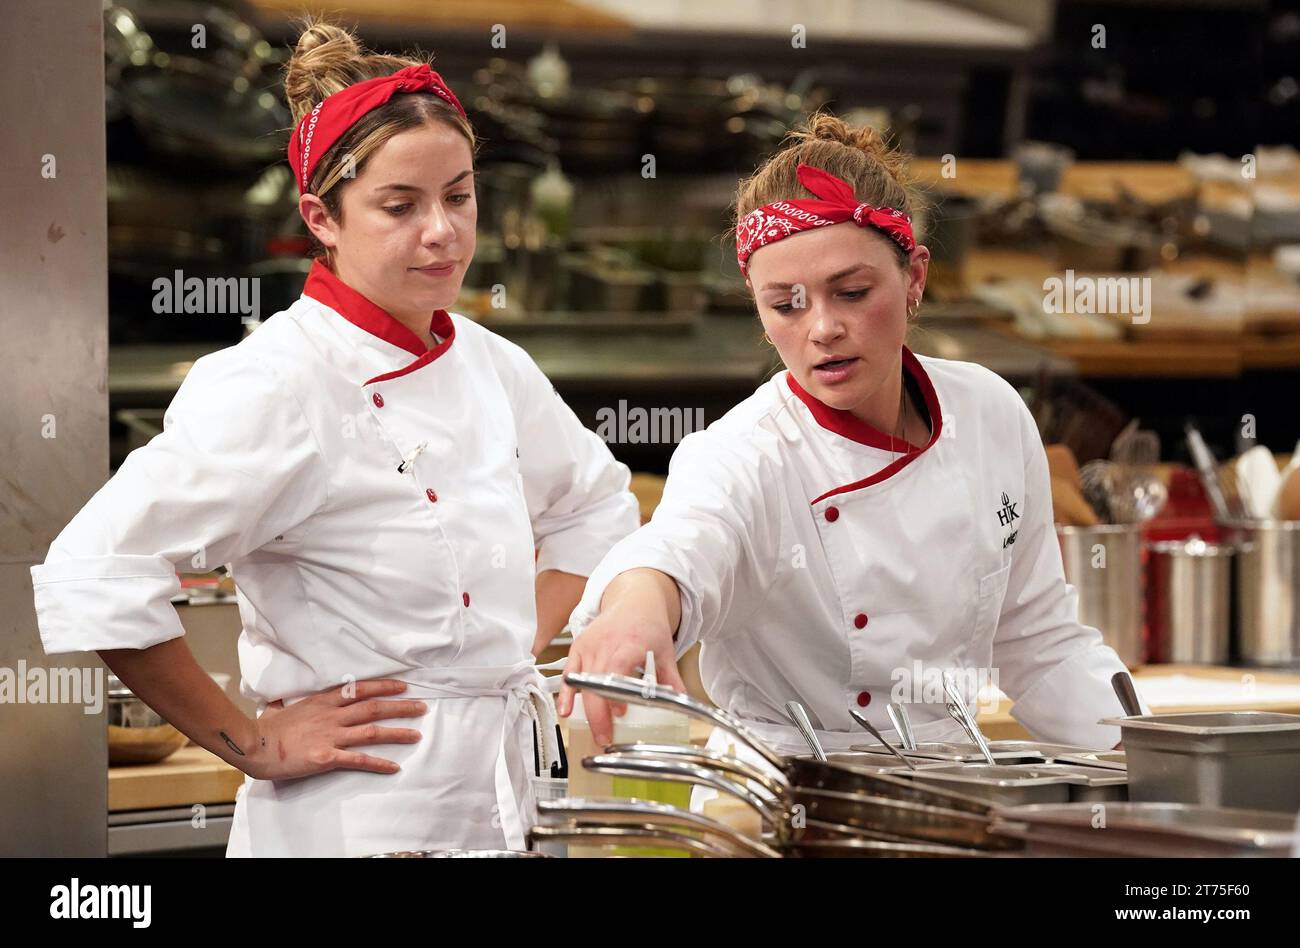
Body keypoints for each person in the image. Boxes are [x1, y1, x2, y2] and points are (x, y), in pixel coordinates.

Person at [31, 21, 639, 856]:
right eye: (400, 206)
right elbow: (94, 570)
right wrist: (252, 743)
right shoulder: (277, 380)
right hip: (359, 813)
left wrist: (504, 650)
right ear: (322, 216)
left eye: (459, 197)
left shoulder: (494, 365)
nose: (443, 231)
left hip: (507, 801)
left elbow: (595, 507)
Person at [559, 114, 1143, 758]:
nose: (822, 328)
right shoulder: (744, 452)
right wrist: (635, 609)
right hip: (791, 792)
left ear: (915, 276)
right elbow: (680, 547)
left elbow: (1039, 639)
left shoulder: (991, 413)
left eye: (853, 292)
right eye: (787, 304)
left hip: (954, 784)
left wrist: (1154, 757)